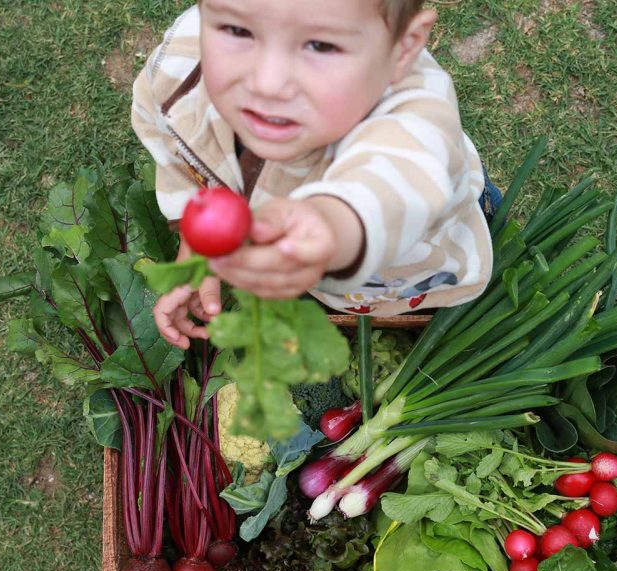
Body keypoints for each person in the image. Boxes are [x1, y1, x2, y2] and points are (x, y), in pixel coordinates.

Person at [133, 0, 498, 349]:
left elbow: (400, 180)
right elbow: (165, 135)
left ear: (403, 47)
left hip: (417, 274)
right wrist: (198, 244)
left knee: (443, 312)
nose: (267, 83)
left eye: (321, 45)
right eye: (237, 30)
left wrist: (333, 222)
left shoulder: (414, 116)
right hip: (330, 283)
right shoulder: (179, 66)